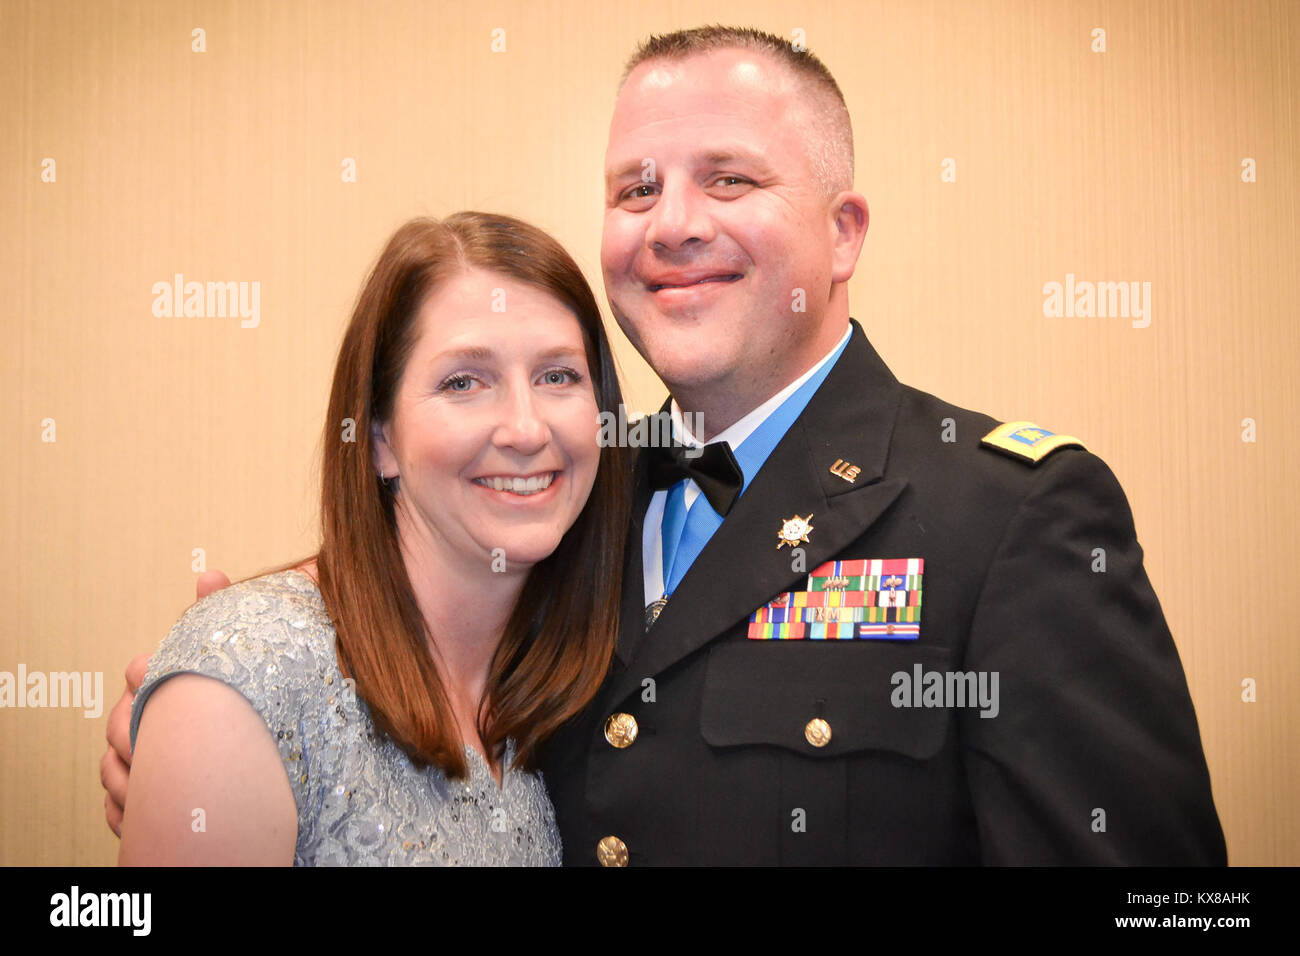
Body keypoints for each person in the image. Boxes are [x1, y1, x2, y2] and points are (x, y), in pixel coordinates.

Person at [106, 25, 1227, 866]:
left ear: (842, 235)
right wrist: (229, 708)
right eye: (634, 188)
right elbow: (394, 630)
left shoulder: (1008, 515)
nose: (673, 221)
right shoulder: (572, 492)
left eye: (728, 178)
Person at [115, 213, 631, 865]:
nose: (526, 430)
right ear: (381, 439)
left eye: (558, 376)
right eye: (464, 382)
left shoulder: (560, 681)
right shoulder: (253, 673)